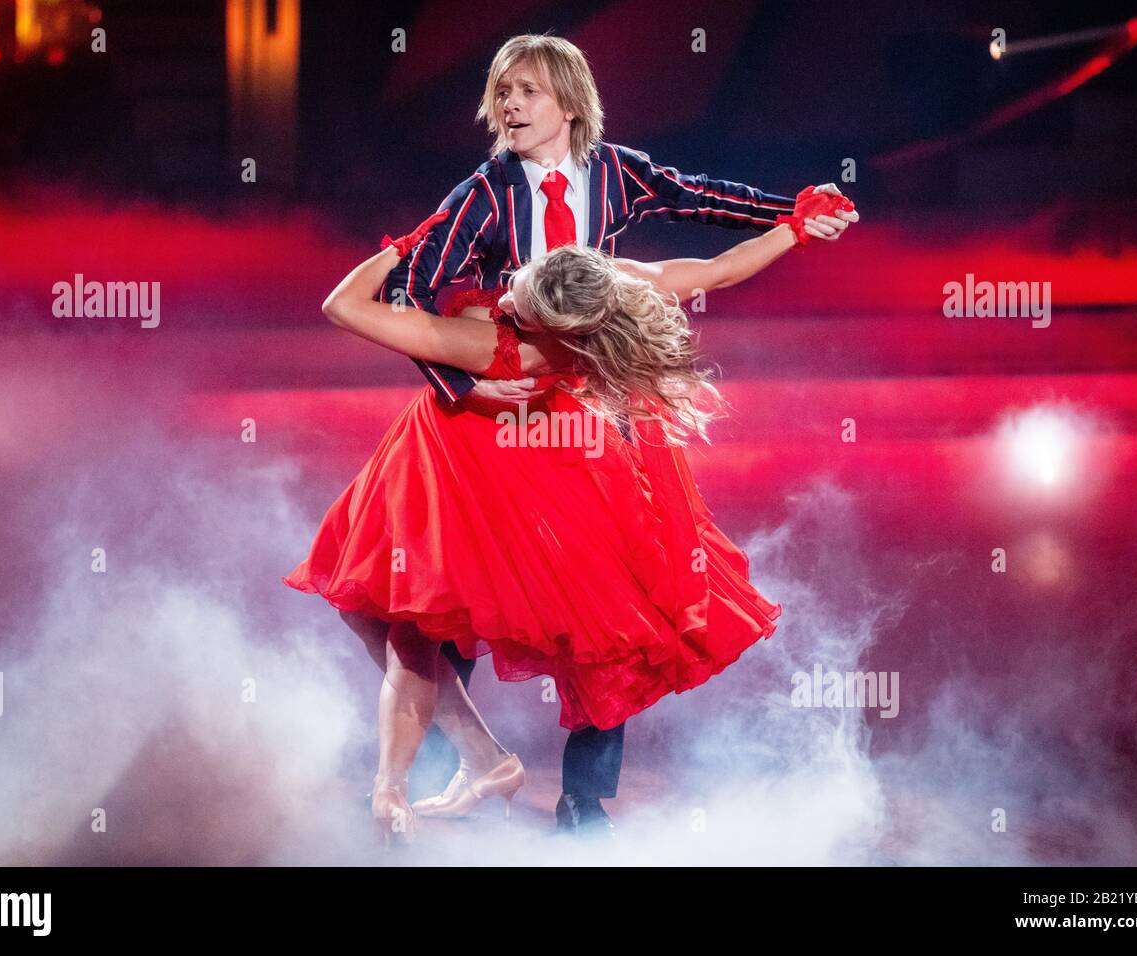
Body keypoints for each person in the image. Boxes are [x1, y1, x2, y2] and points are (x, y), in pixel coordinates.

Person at [375, 33, 858, 833]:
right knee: (456, 593)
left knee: (613, 607)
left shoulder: (617, 173)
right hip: (501, 415)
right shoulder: (483, 193)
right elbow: (414, 292)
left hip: (594, 416)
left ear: (569, 100)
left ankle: (584, 798)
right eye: (502, 92)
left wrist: (795, 218)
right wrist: (471, 379)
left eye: (527, 90)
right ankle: (442, 763)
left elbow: (701, 201)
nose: (510, 106)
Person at [284, 181, 855, 844]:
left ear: (540, 324)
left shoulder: (496, 348)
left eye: (517, 296)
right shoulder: (605, 284)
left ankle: (423, 785)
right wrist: (796, 229)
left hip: (455, 478)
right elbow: (714, 270)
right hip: (505, 468)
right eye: (524, 273)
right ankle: (476, 763)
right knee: (394, 622)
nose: (508, 286)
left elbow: (343, 306)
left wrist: (405, 245)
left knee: (396, 621)